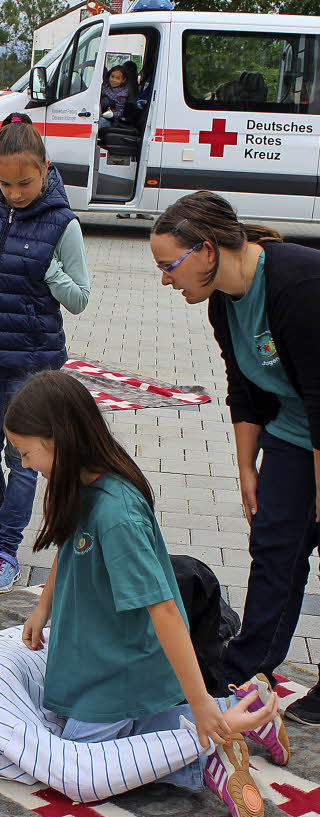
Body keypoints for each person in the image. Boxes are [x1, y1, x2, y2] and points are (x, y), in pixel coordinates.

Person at [5, 370, 283, 817]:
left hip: (121, 670)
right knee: (85, 737)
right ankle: (244, 710)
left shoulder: (115, 513)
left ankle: (210, 751)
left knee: (79, 771)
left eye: (27, 452)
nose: (25, 462)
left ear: (58, 441)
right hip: (100, 661)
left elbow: (166, 611)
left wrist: (198, 704)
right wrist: (44, 606)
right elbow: (66, 544)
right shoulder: (80, 482)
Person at [149, 191, 320, 726]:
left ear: (206, 250)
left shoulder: (296, 283)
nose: (165, 280)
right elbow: (244, 388)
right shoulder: (225, 300)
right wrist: (248, 468)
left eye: (168, 265)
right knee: (275, 547)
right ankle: (247, 671)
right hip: (294, 430)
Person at [0, 625, 284, 817]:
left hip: (64, 643)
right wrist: (204, 736)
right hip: (90, 669)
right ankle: (217, 738)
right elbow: (78, 772)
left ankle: (235, 719)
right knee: (110, 713)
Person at [0, 113, 90, 594]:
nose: (14, 193)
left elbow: (80, 298)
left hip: (33, 364)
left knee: (23, 459)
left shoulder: (62, 223)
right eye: (4, 183)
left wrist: (50, 274)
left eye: (24, 182)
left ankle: (6, 547)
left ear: (46, 169)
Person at [99, 64, 128, 129]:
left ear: (123, 80)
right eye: (112, 76)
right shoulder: (105, 86)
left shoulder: (121, 94)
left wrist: (111, 113)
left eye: (118, 78)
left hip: (110, 121)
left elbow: (119, 112)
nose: (114, 80)